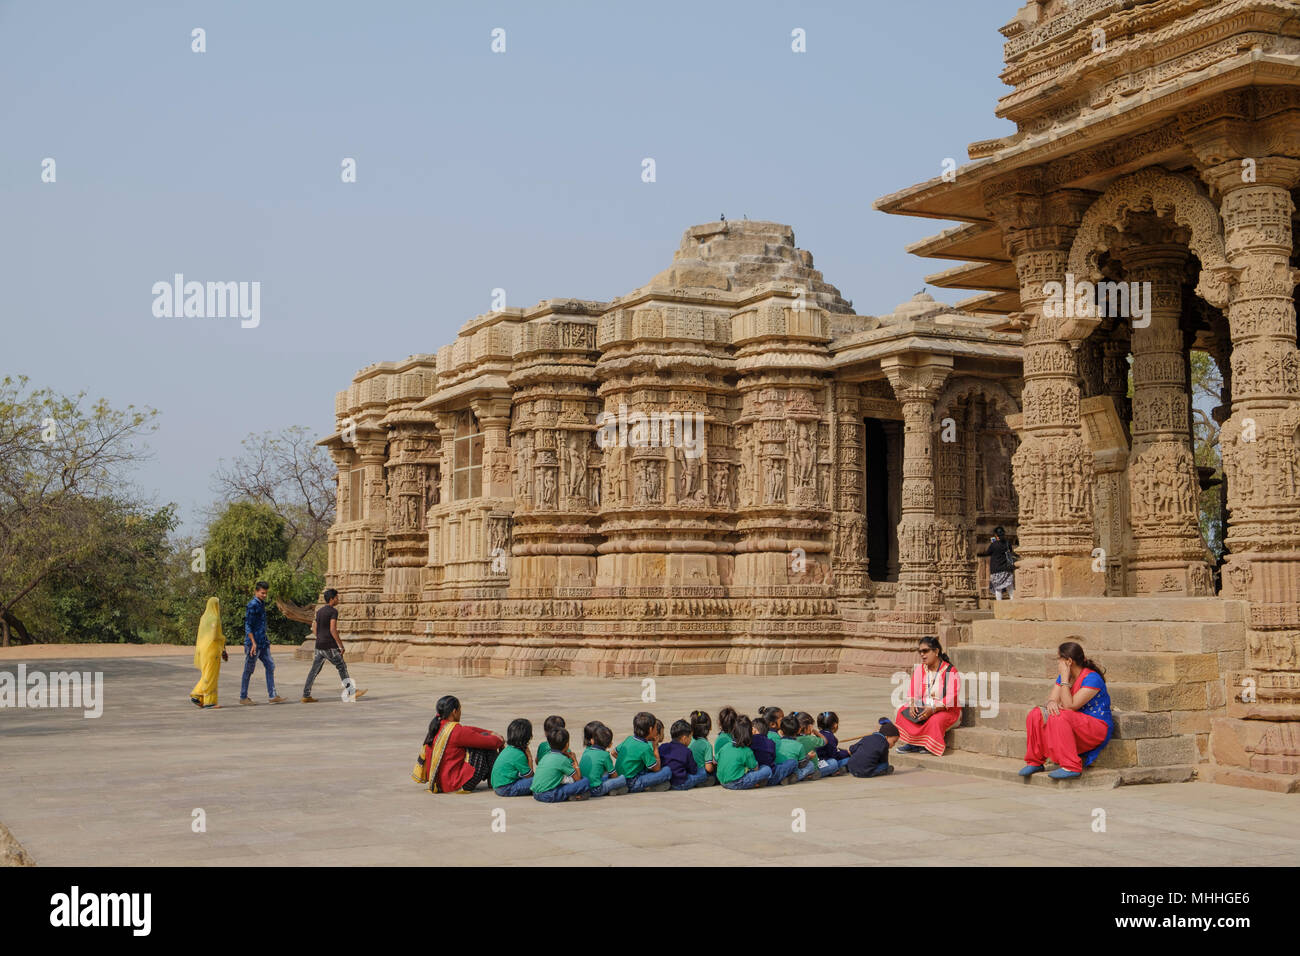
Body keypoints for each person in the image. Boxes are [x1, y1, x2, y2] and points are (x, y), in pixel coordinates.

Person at [1021, 641, 1114, 780]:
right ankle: (1035, 761)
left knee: (1058, 716)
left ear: (1069, 661)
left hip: (1095, 727)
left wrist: (1064, 679)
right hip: (1074, 722)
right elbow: (1051, 700)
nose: (1058, 663)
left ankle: (1071, 766)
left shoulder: (1092, 678)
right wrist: (1052, 703)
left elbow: (1070, 706)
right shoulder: (1065, 677)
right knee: (1036, 714)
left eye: (1059, 659)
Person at [412, 695, 504, 794]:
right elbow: (492, 743)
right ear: (454, 712)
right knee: (484, 744)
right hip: (454, 784)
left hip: (440, 784)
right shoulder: (456, 731)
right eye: (460, 709)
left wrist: (490, 732)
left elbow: (469, 730)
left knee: (483, 736)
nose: (460, 712)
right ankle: (496, 780)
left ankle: (494, 779)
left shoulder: (437, 727)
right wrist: (499, 739)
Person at [895, 636, 961, 756]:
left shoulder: (951, 671)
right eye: (920, 652)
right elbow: (913, 691)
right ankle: (913, 743)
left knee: (935, 719)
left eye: (925, 651)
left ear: (936, 651)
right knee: (901, 711)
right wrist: (913, 703)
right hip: (924, 706)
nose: (922, 655)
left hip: (946, 710)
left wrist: (934, 709)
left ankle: (927, 745)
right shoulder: (920, 669)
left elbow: (951, 697)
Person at [301, 588, 367, 703]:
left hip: (319, 646)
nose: (338, 599)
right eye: (337, 597)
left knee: (314, 671)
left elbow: (314, 627)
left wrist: (320, 637)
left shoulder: (320, 611)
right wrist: (340, 646)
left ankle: (306, 695)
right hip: (329, 646)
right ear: (332, 599)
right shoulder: (333, 612)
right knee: (341, 666)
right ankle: (351, 692)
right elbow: (333, 629)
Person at [240, 581, 283, 705]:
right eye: (262, 593)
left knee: (270, 665)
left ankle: (272, 695)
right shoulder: (252, 605)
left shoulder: (261, 604)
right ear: (256, 592)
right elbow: (248, 625)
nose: (264, 595)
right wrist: (253, 642)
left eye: (266, 593)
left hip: (263, 643)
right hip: (253, 644)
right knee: (248, 670)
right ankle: (243, 697)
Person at [615, 712, 672, 793]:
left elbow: (614, 752)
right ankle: (649, 787)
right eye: (656, 728)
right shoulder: (645, 747)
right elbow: (657, 768)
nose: (656, 731)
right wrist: (655, 747)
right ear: (650, 729)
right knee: (667, 771)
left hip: (620, 777)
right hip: (632, 782)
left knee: (646, 766)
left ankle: (619, 787)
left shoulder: (629, 739)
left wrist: (630, 763)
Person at [531, 727, 590, 803]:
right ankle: (573, 795)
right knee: (585, 781)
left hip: (535, 793)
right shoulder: (562, 759)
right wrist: (575, 760)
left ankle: (571, 795)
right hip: (548, 795)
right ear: (567, 744)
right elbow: (578, 779)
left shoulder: (546, 756)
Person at [189, 597, 228, 709]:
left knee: (207, 673)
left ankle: (198, 696)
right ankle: (209, 701)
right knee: (211, 675)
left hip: (203, 650)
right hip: (212, 651)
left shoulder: (203, 618)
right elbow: (215, 636)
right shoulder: (215, 619)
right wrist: (223, 638)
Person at [716, 716, 772, 790]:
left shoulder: (725, 746)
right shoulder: (747, 751)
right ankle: (755, 783)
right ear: (749, 734)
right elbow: (755, 769)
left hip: (722, 781)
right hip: (736, 782)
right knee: (766, 769)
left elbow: (715, 761)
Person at [579, 722, 627, 797]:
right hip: (596, 790)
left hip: (585, 786)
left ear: (592, 741)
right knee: (622, 778)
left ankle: (611, 790)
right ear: (610, 744)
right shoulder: (605, 755)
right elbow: (614, 775)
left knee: (604, 773)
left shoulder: (587, 751)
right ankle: (612, 789)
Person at [491, 718, 536, 797]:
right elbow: (530, 775)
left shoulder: (509, 749)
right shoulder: (518, 754)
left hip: (498, 786)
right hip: (506, 788)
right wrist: (529, 757)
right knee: (539, 780)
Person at [660, 719, 708, 790]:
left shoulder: (663, 746)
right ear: (684, 738)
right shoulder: (687, 751)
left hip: (668, 779)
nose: (691, 740)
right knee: (702, 772)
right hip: (681, 783)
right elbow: (693, 771)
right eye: (690, 737)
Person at [750, 713, 792, 784]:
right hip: (772, 775)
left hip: (756, 774)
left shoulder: (749, 741)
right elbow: (773, 757)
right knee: (792, 762)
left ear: (753, 730)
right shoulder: (771, 742)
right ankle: (785, 778)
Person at [776, 715, 818, 781]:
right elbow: (801, 764)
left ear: (781, 731)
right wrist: (808, 756)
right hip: (792, 770)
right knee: (811, 765)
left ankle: (788, 778)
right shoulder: (799, 745)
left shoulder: (777, 742)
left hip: (778, 769)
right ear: (799, 730)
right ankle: (794, 777)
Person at [981, 526, 1016, 600]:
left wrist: (993, 543)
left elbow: (988, 553)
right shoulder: (1007, 543)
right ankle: (1013, 601)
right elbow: (1010, 552)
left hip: (996, 569)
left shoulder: (994, 545)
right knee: (1010, 586)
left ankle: (999, 604)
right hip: (1007, 568)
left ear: (996, 535)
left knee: (997, 588)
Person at [688, 710, 717, 785]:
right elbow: (708, 768)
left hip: (689, 771)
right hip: (701, 773)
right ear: (709, 728)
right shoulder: (706, 745)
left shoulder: (689, 741)